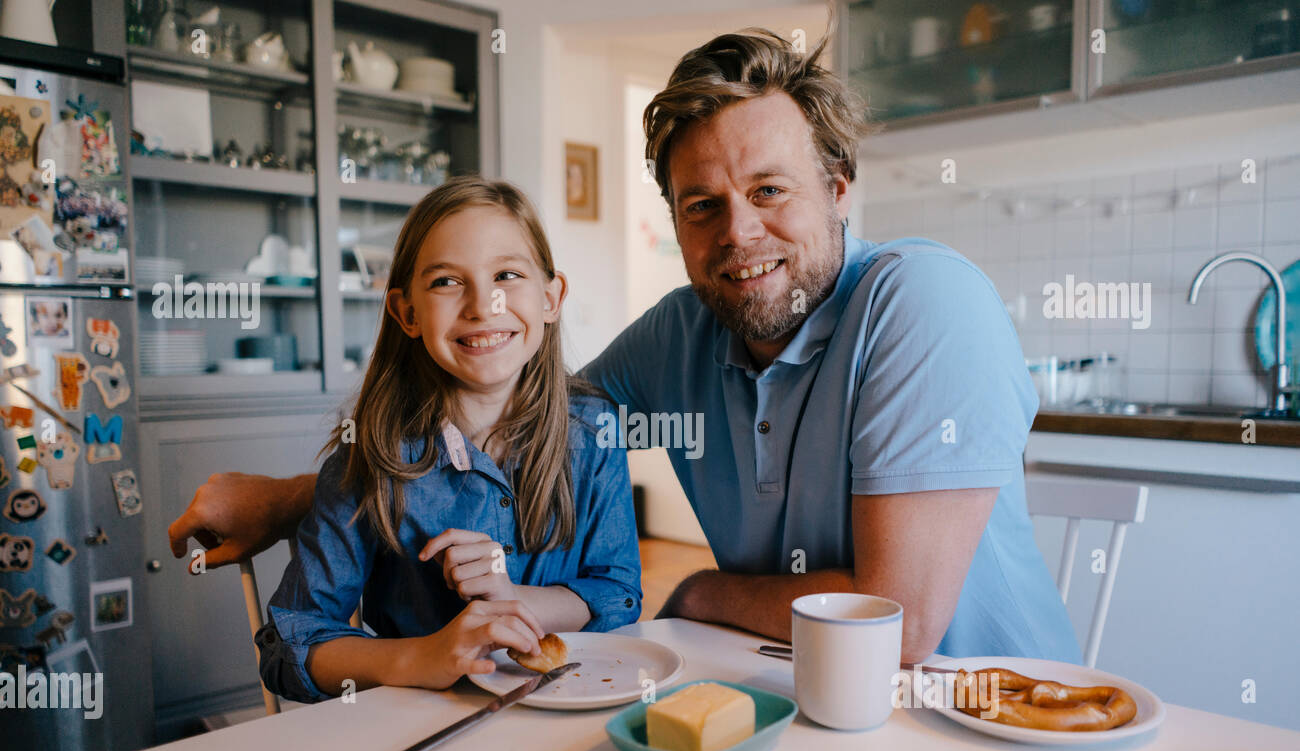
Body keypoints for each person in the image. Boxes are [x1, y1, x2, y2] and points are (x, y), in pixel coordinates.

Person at [171, 29, 1078, 667]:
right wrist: (306, 498)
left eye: (771, 189)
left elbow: (899, 622)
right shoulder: (683, 330)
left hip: (982, 722)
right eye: (702, 206)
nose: (739, 233)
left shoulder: (924, 302)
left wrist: (693, 595)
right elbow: (508, 421)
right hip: (788, 695)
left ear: (839, 188)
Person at [249, 177, 641, 702]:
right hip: (418, 728)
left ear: (551, 297)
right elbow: (290, 646)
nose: (483, 305)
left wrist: (510, 596)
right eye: (445, 282)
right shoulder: (368, 456)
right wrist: (425, 655)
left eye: (506, 274)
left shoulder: (594, 433)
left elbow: (616, 593)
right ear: (407, 313)